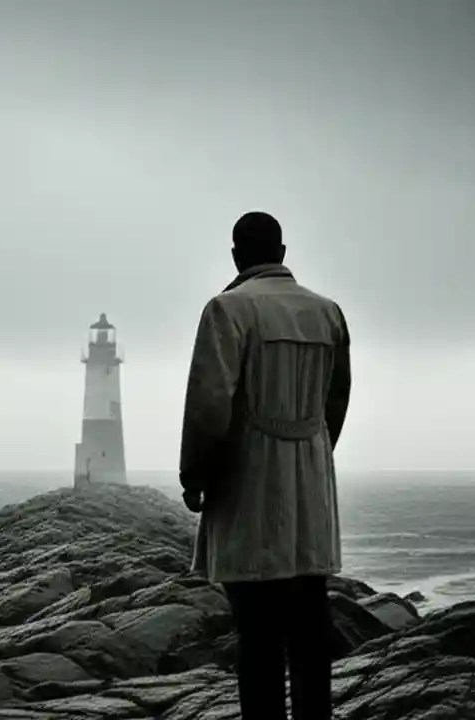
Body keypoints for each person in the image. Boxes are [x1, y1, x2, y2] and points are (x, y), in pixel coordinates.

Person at [178, 211, 351, 720]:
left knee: (256, 640)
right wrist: (315, 454)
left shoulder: (228, 310)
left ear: (236, 254)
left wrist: (196, 477)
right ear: (282, 250)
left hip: (248, 494)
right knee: (309, 635)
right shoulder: (328, 313)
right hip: (311, 495)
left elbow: (210, 408)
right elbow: (335, 403)